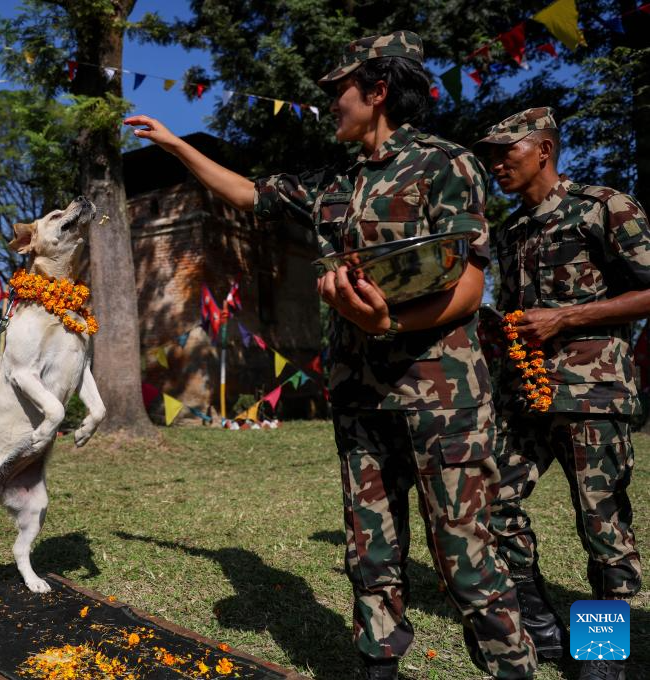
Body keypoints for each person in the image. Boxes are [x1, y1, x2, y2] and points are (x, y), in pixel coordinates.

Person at [126, 30, 536, 680]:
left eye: (336, 91)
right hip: (361, 395)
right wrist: (177, 145)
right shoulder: (332, 183)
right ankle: (377, 664)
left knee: (464, 551)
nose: (328, 104)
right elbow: (251, 195)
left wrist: (387, 318)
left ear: (376, 91)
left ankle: (511, 667)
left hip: (442, 398)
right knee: (371, 549)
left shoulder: (445, 165)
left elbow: (469, 285)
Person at [476, 107, 646, 680]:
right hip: (525, 392)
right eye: (490, 155)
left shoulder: (605, 206)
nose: (496, 163)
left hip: (594, 391)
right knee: (492, 498)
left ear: (544, 150)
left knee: (601, 522)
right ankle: (540, 624)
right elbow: (527, 313)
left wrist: (566, 317)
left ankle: (603, 653)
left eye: (507, 151)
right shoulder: (512, 230)